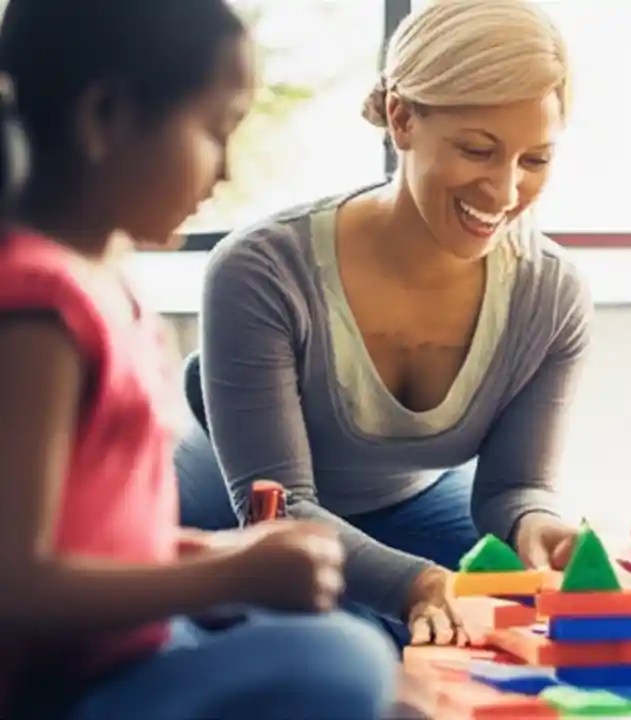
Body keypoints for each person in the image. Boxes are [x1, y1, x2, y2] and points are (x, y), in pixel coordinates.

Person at [0, 1, 397, 718]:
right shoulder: (37, 308)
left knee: (350, 634)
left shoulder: (104, 278)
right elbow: (18, 583)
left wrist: (220, 557)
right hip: (62, 691)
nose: (226, 171)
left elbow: (107, 540)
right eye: (217, 132)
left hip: (136, 648)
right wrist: (221, 578)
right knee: (347, 659)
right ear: (105, 117)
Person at [173, 0, 591, 647]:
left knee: (529, 615)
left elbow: (515, 487)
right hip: (238, 503)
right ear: (401, 117)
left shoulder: (552, 294)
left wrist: (541, 524)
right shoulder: (260, 271)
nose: (505, 192)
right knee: (342, 645)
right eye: (478, 150)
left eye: (535, 160)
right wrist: (415, 585)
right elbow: (278, 499)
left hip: (412, 498)